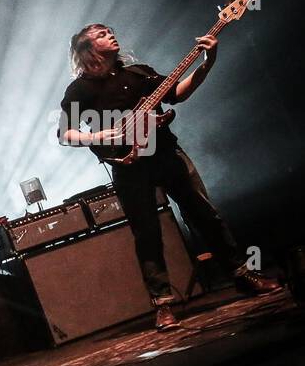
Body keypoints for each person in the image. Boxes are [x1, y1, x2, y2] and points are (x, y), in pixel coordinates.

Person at [58, 23, 280, 329]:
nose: (110, 33)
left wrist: (209, 61)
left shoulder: (138, 73)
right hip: (129, 165)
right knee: (147, 234)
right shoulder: (81, 89)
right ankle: (163, 304)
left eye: (109, 30)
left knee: (205, 215)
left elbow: (176, 94)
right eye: (100, 34)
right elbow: (66, 133)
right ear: (86, 49)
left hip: (166, 154)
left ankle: (242, 275)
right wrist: (105, 134)